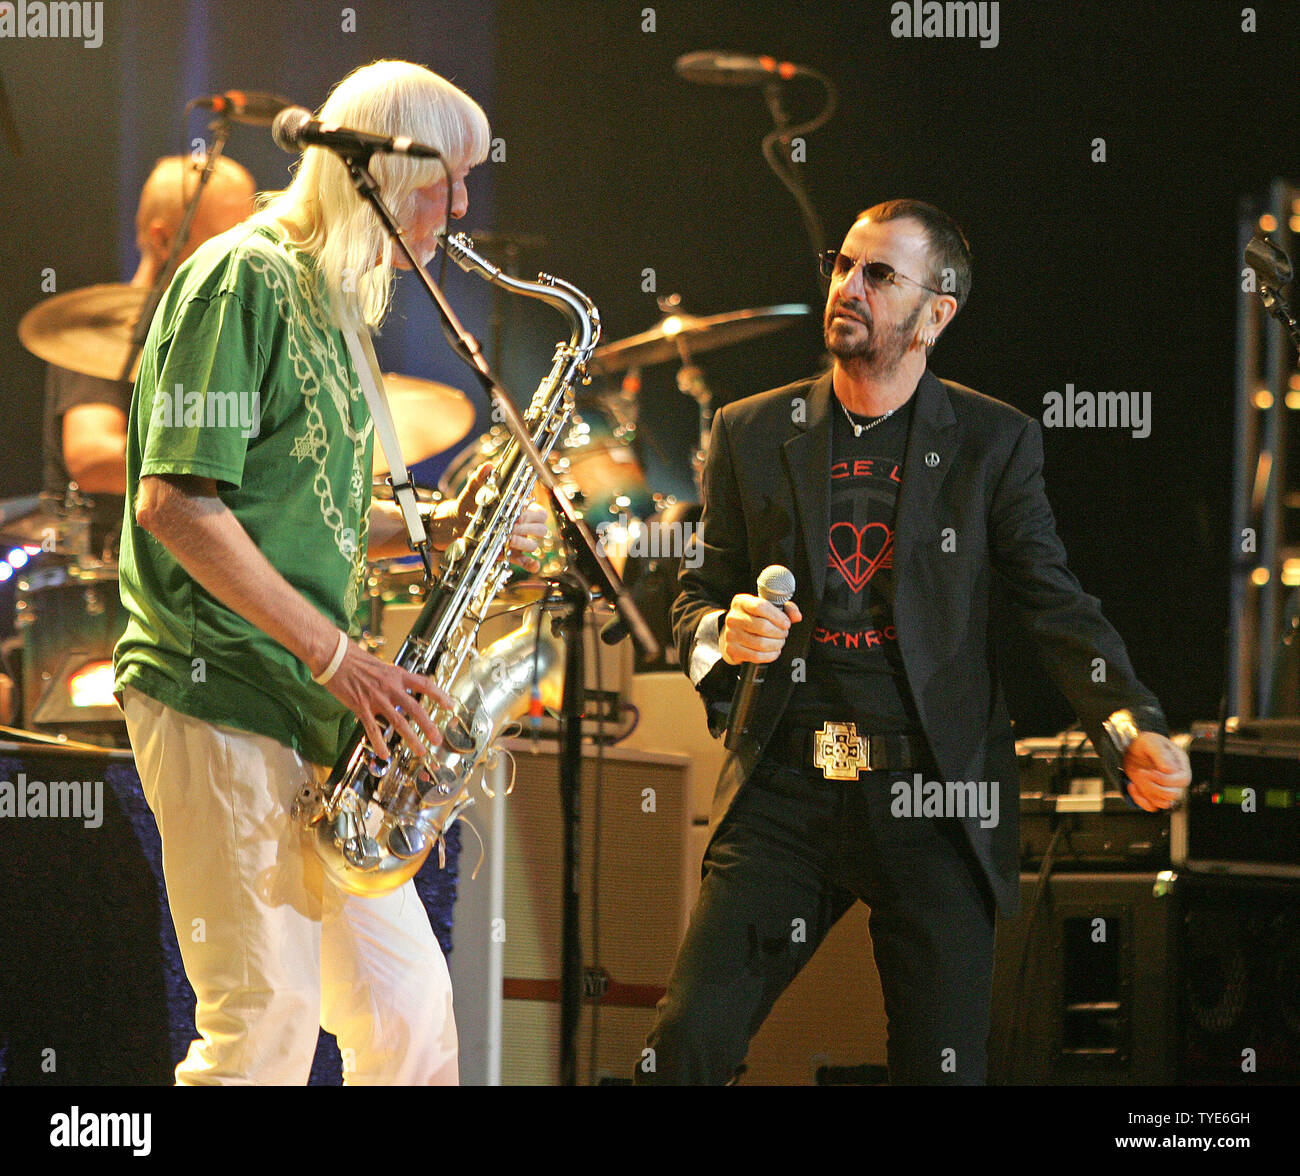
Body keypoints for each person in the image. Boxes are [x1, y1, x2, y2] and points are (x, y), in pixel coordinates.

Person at [639, 199, 1191, 1086]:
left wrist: (1130, 723)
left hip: (932, 792)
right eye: (843, 264)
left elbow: (1056, 605)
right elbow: (696, 596)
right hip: (788, 785)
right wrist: (720, 632)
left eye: (879, 274)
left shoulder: (992, 441)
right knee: (684, 1049)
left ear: (937, 314)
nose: (846, 287)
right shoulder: (750, 429)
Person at [113, 60, 544, 1085]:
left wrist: (453, 527)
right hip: (220, 684)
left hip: (316, 714)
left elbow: (296, 513)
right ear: (385, 174)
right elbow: (175, 503)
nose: (464, 207)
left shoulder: (332, 300)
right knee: (262, 1026)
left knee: (409, 1026)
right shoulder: (240, 278)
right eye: (449, 180)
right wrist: (339, 655)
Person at [40, 154, 257, 555]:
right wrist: (240, 470)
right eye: (226, 239)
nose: (244, 257)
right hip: (111, 564)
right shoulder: (104, 331)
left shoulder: (222, 332)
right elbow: (92, 459)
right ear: (162, 239)